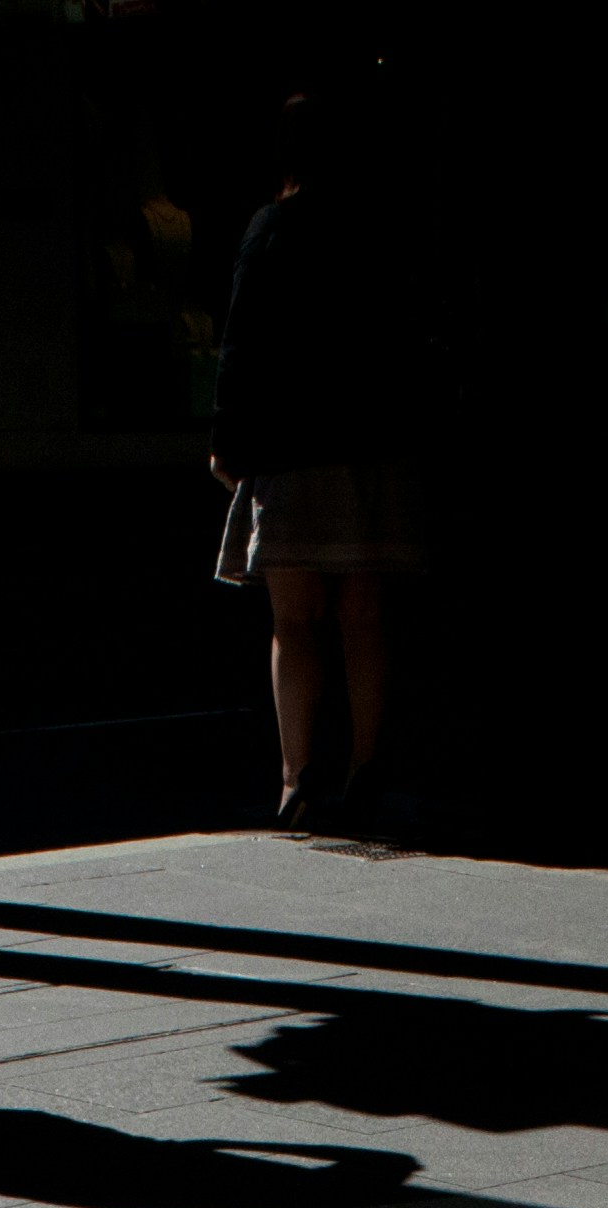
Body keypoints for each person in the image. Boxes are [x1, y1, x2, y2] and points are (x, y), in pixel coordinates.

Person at [207, 85, 413, 831]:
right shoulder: (381, 233)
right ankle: (368, 767)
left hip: (288, 452)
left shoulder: (270, 231)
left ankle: (296, 780)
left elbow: (241, 344)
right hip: (366, 449)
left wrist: (227, 442)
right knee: (364, 612)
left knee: (293, 621)